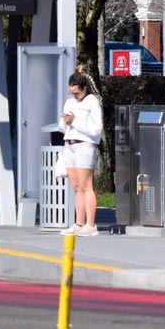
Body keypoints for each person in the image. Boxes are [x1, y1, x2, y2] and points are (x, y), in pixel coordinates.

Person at [58, 67, 104, 236]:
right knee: (76, 186)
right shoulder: (70, 102)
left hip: (85, 144)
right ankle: (79, 223)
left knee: (86, 185)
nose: (74, 97)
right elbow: (63, 126)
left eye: (77, 93)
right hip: (69, 142)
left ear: (85, 89)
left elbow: (96, 129)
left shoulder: (92, 101)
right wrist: (64, 122)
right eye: (72, 93)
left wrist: (75, 121)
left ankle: (90, 225)